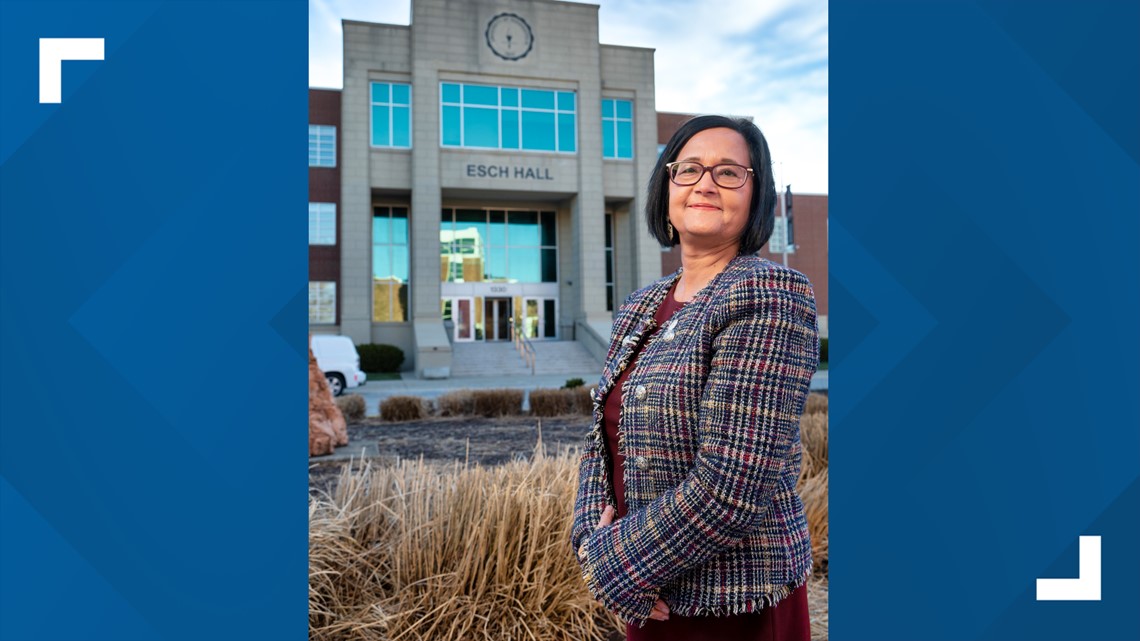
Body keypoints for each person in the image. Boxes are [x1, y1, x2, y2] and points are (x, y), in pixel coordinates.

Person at [571, 115, 818, 640]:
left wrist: (617, 561)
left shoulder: (769, 293)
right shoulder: (642, 304)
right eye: (687, 169)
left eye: (729, 172)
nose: (704, 183)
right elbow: (602, 439)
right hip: (648, 595)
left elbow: (733, 484)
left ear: (758, 195)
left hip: (734, 605)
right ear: (666, 188)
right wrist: (590, 540)